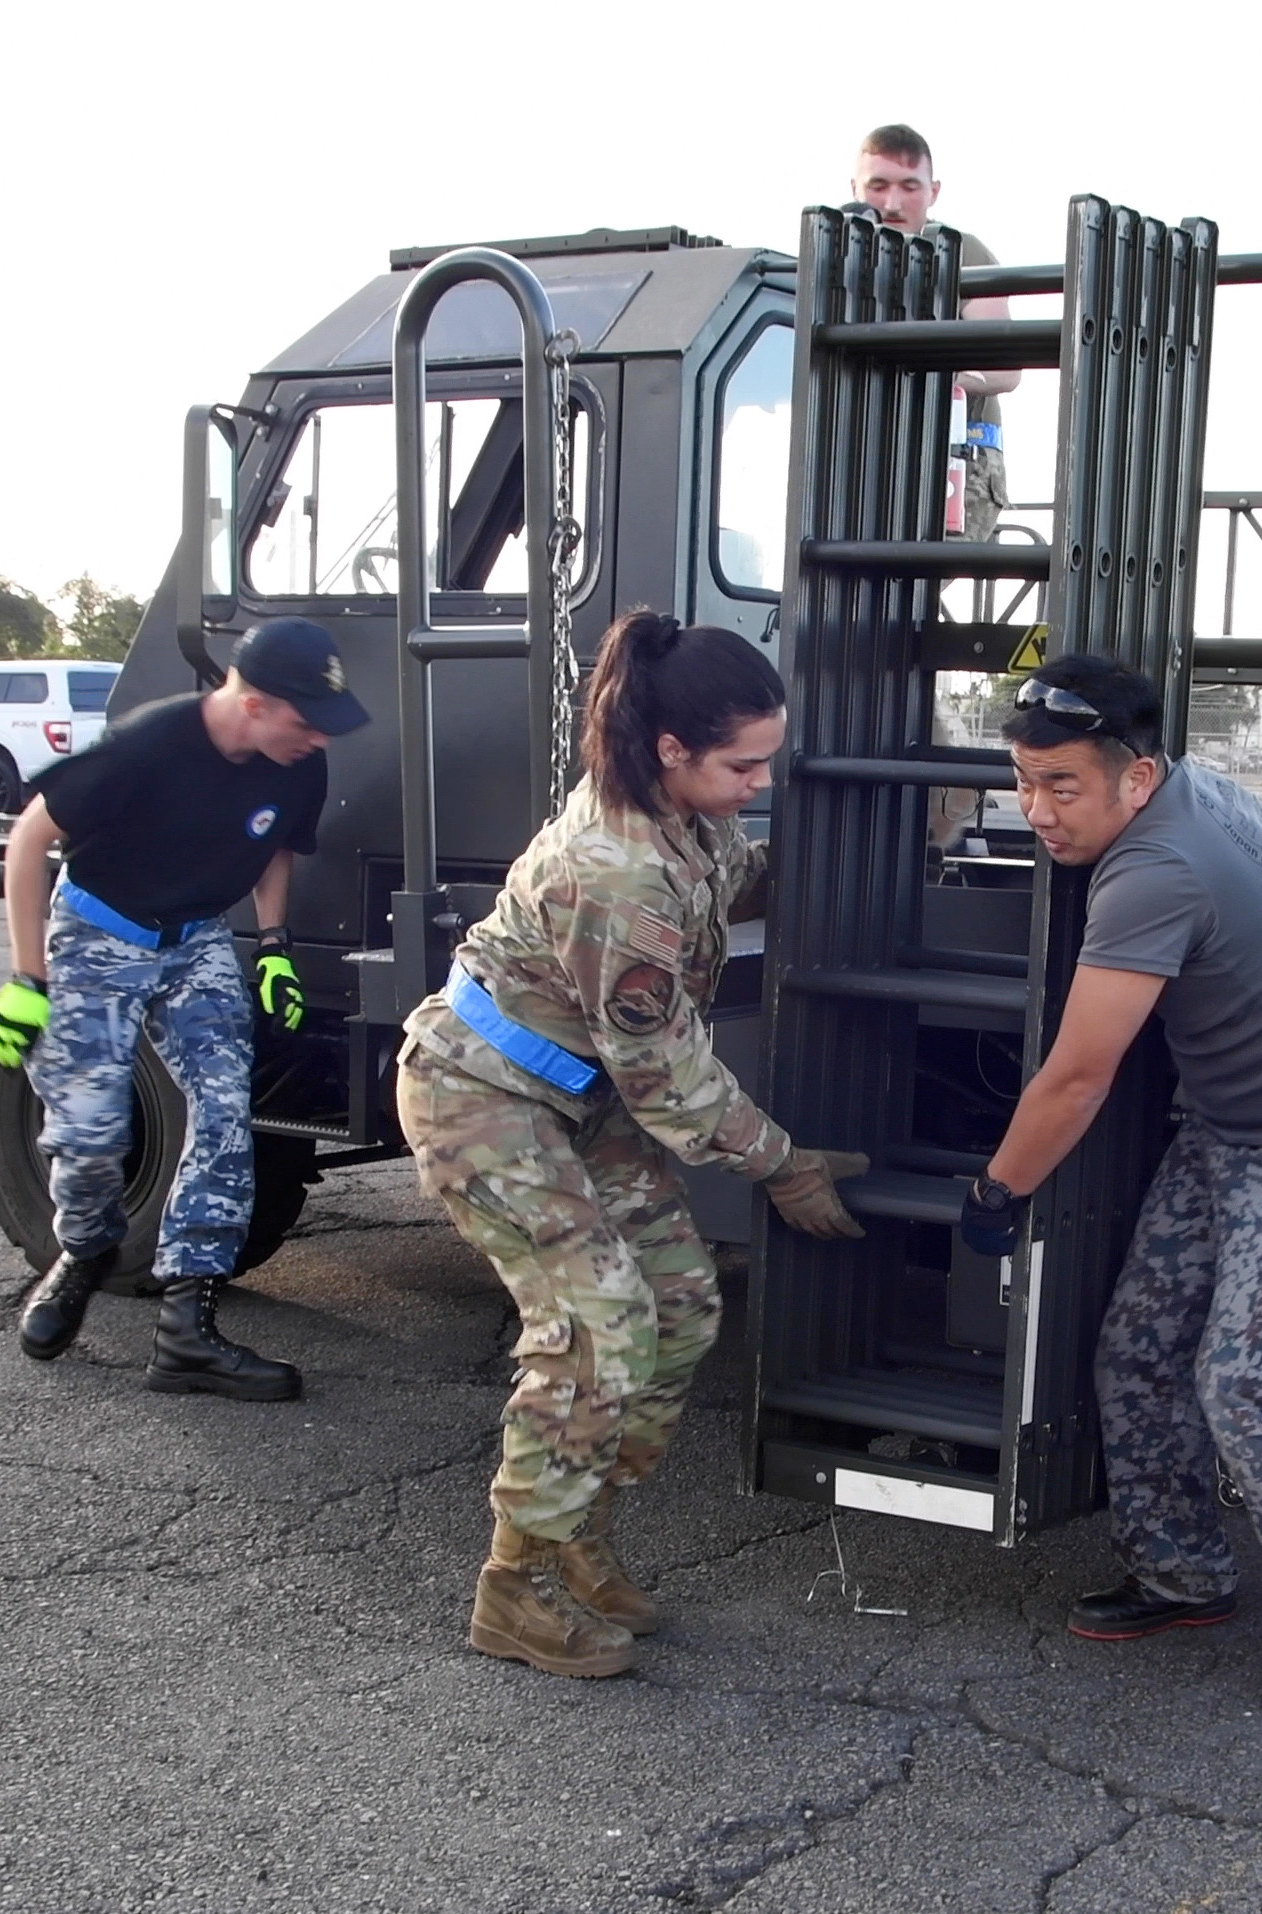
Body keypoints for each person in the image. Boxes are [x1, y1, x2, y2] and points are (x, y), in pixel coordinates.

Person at [958, 654, 1262, 1728]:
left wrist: (997, 1192)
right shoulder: (1184, 790)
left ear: (1136, 778)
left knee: (1255, 1392)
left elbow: (1078, 1076)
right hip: (1233, 1124)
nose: (1036, 811)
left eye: (1061, 786)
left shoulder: (1154, 868)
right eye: (1022, 782)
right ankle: (1180, 1573)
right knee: (1138, 1349)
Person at [398, 610, 870, 1680]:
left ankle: (577, 1533)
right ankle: (514, 1589)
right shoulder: (613, 872)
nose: (759, 781)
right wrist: (783, 1164)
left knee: (683, 1306)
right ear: (671, 749)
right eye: (743, 765)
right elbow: (667, 1078)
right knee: (597, 1327)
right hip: (483, 1096)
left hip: (579, 1099)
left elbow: (727, 878)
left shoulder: (677, 814)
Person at [0, 618, 365, 1401]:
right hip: (99, 934)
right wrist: (28, 978)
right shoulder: (146, 746)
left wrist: (275, 945)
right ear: (253, 703)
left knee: (224, 1115)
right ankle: (85, 1251)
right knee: (90, 1135)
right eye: (307, 720)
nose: (320, 737)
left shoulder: (296, 761)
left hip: (195, 940)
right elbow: (27, 840)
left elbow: (279, 844)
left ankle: (188, 1331)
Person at [850, 123, 1021, 542]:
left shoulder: (961, 251)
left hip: (954, 459)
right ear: (854, 189)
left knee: (914, 571)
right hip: (862, 452)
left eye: (909, 186)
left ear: (934, 191)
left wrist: (923, 372)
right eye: (878, 186)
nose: (892, 203)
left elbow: (1004, 369)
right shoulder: (839, 256)